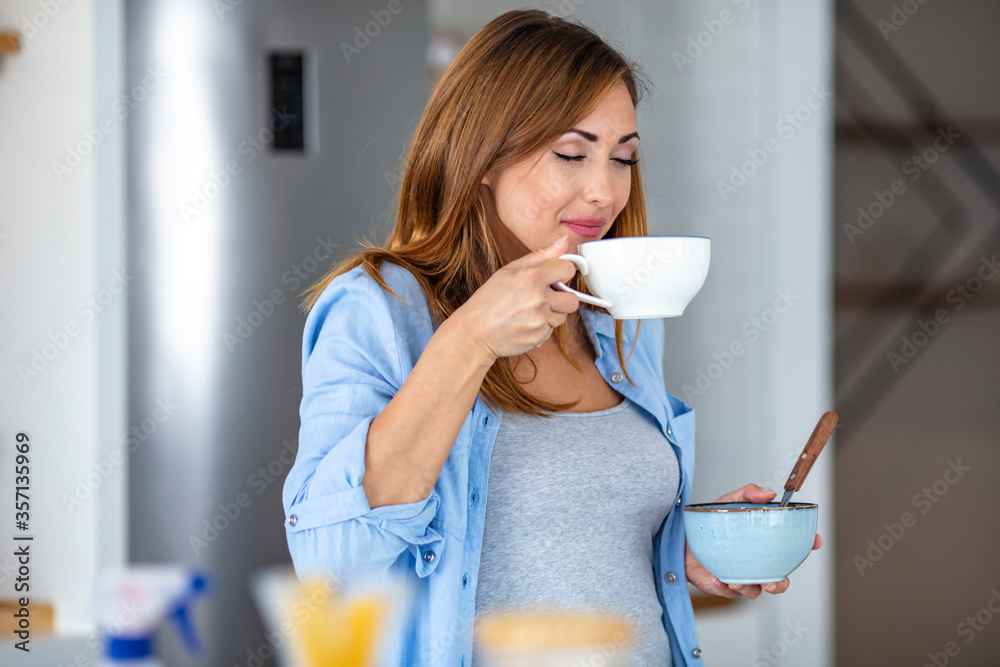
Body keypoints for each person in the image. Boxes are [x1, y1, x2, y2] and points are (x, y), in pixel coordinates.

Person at [282, 8, 821, 666]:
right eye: (571, 152)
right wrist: (473, 337)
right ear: (483, 155)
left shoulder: (617, 320)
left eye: (623, 156)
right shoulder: (380, 308)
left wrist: (681, 547)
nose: (605, 189)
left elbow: (569, 545)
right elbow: (329, 563)